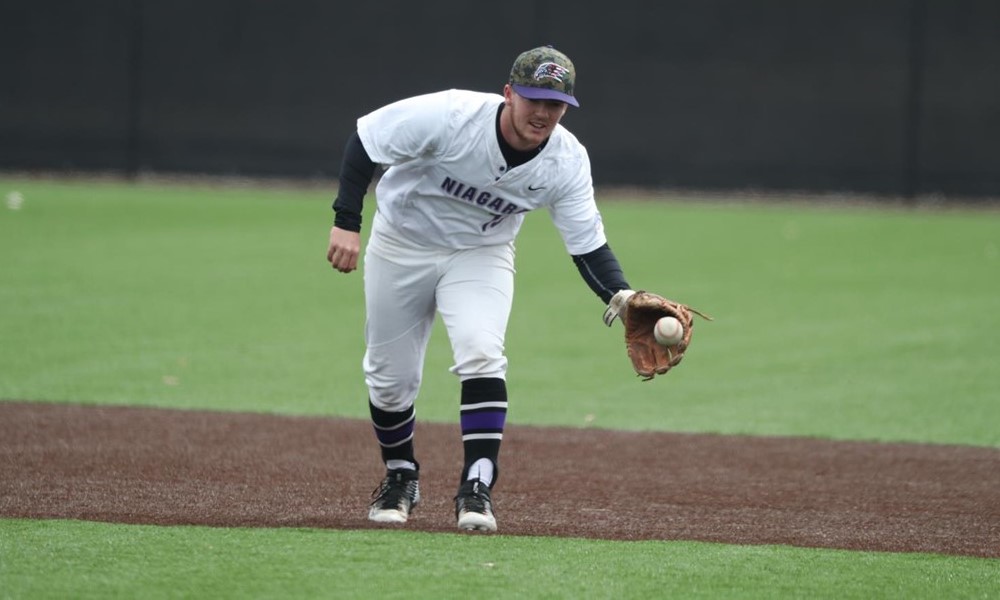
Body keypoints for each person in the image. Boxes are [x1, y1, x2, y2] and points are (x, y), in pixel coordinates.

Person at [326, 46, 637, 533]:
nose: (543, 113)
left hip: (481, 253)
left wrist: (621, 298)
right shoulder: (451, 116)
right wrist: (347, 221)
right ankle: (400, 474)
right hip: (402, 242)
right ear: (508, 93)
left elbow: (587, 244)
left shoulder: (566, 161)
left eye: (555, 104)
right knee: (389, 379)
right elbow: (366, 140)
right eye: (533, 98)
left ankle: (477, 487)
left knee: (481, 352)